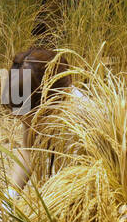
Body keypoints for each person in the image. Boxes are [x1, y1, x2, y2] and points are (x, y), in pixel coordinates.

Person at [5, 48, 83, 193]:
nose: (22, 120)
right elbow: (29, 149)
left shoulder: (82, 121)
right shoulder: (33, 104)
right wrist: (10, 196)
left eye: (27, 116)